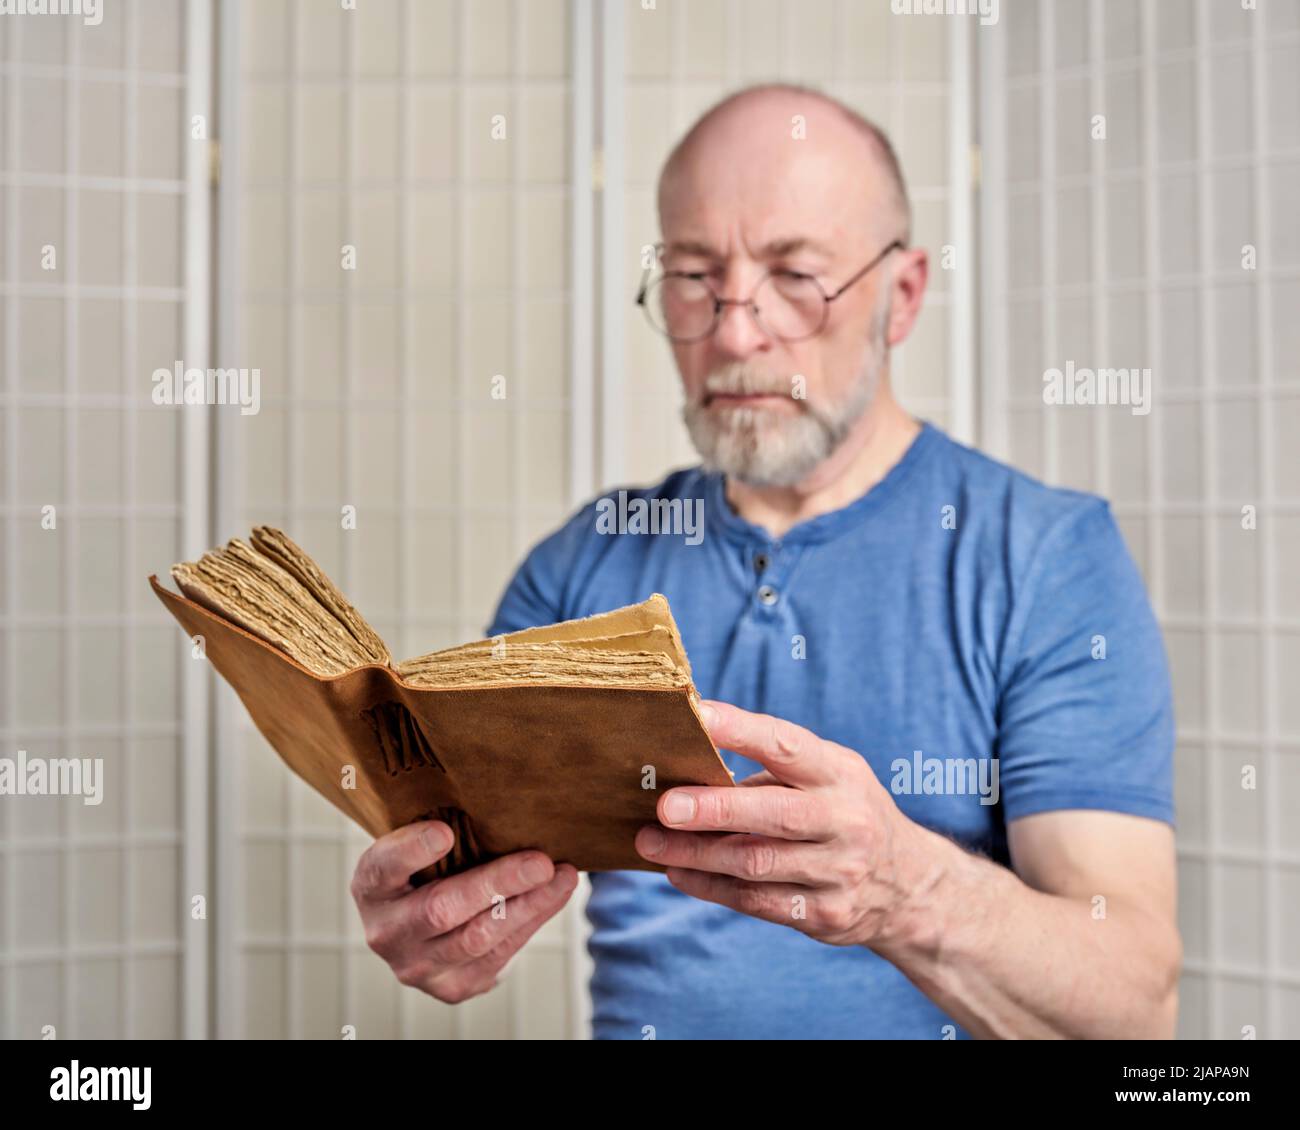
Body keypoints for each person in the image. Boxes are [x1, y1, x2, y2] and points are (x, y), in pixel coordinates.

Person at [349, 83, 1180, 1039]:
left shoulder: (1045, 558)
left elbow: (1136, 1007)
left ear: (901, 296)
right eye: (696, 278)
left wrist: (902, 890)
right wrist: (429, 914)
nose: (737, 335)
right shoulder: (583, 566)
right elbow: (459, 873)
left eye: (795, 276)